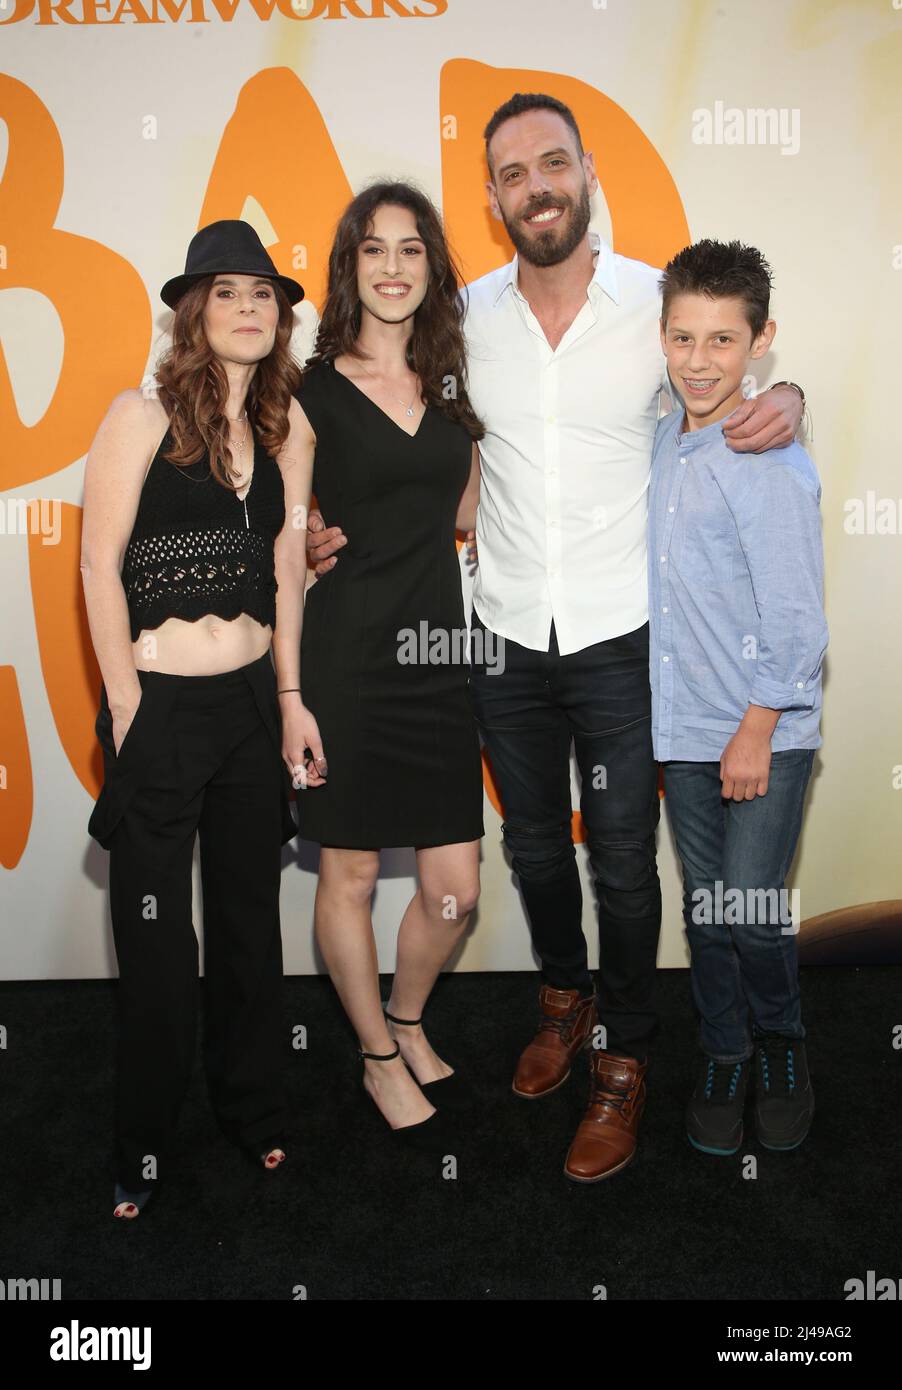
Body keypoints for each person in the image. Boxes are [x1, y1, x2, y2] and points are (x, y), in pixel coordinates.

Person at [308, 94, 806, 1183]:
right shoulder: (460, 319)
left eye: (551, 164)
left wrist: (787, 393)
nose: (535, 186)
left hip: (626, 634)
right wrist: (303, 526)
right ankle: (562, 1002)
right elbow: (377, 431)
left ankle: (623, 1054)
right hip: (497, 633)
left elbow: (723, 364)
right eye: (511, 174)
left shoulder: (651, 300)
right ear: (491, 201)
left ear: (584, 173)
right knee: (534, 849)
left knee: (624, 863)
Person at [82, 220, 309, 1219]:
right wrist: (125, 703)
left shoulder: (287, 428)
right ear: (194, 310)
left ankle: (253, 1109)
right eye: (228, 293)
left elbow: (289, 574)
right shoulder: (138, 416)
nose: (250, 308)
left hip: (252, 709)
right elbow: (96, 564)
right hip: (160, 708)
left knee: (251, 933)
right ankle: (141, 1142)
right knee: (159, 949)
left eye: (264, 294)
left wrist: (292, 700)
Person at [288, 182, 485, 1150]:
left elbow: (469, 514)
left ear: (431, 267)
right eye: (373, 249)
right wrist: (303, 544)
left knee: (455, 887)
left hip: (438, 656)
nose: (393, 267)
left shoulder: (453, 385)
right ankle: (371, 1053)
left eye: (411, 249)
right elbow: (266, 525)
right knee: (353, 870)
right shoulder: (307, 388)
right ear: (349, 267)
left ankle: (406, 1018)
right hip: (346, 657)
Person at [651, 238, 826, 1155]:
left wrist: (757, 730)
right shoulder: (661, 434)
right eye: (682, 337)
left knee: (752, 909)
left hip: (765, 729)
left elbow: (799, 621)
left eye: (724, 340)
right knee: (705, 911)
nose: (699, 361)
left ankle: (784, 1043)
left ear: (761, 342)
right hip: (683, 732)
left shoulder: (770, 457)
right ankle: (724, 1050)